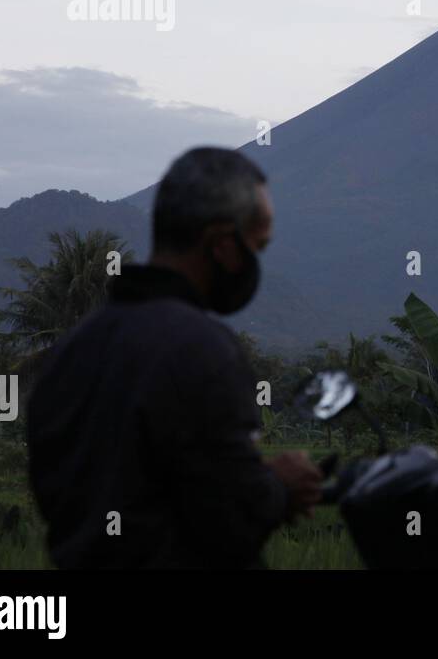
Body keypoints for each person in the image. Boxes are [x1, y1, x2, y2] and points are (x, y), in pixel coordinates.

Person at [27, 147, 323, 568]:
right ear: (223, 244)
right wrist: (279, 486)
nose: (255, 263)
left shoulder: (68, 352)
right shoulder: (203, 349)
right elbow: (228, 517)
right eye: (256, 246)